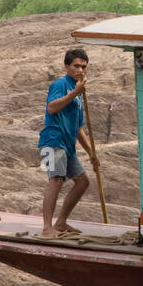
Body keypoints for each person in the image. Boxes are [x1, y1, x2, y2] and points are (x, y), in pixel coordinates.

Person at [38, 48, 99, 238]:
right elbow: (52, 107)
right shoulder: (61, 84)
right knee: (56, 180)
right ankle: (47, 227)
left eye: (84, 67)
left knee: (82, 182)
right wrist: (74, 93)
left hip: (68, 144)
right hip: (52, 140)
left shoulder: (79, 94)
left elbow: (79, 128)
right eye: (76, 66)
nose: (80, 70)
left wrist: (91, 153)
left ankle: (61, 221)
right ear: (67, 66)